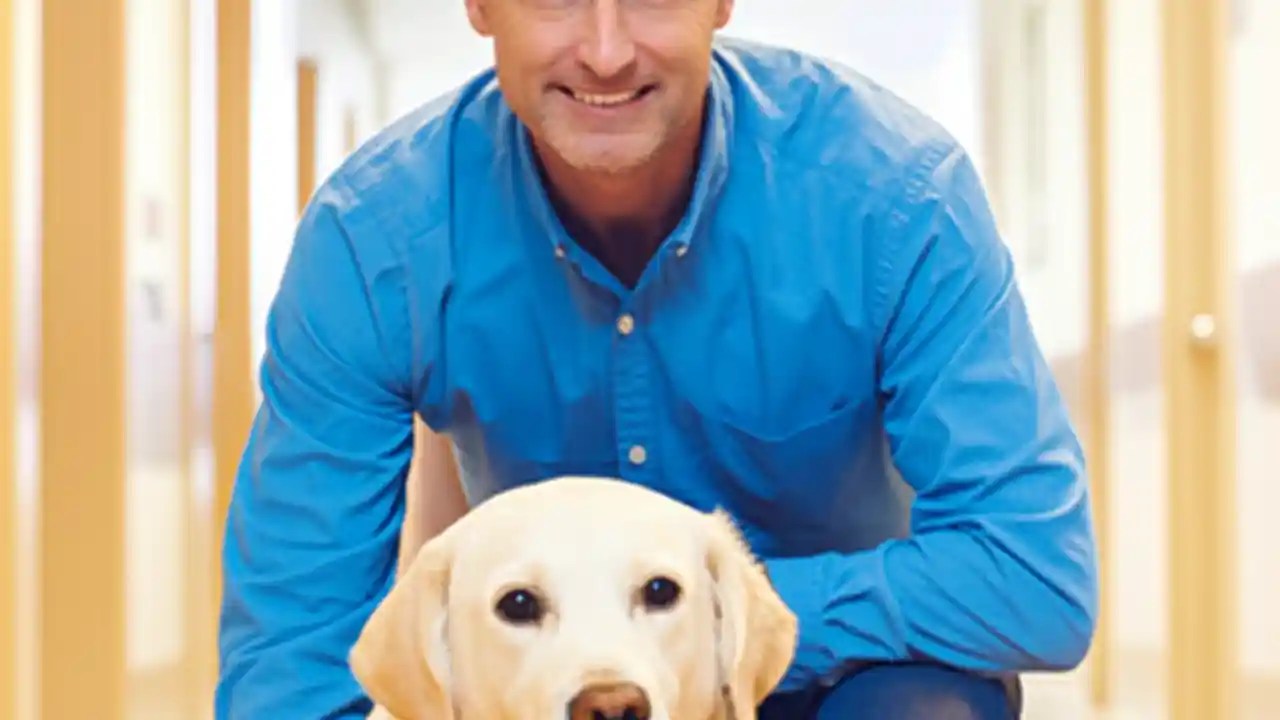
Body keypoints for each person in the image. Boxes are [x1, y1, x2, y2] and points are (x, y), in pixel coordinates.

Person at [215, 1, 1099, 718]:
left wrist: (716, 627)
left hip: (846, 682)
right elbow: (297, 651)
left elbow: (1032, 574)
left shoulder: (897, 199)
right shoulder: (374, 242)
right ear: (480, 6)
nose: (605, 50)